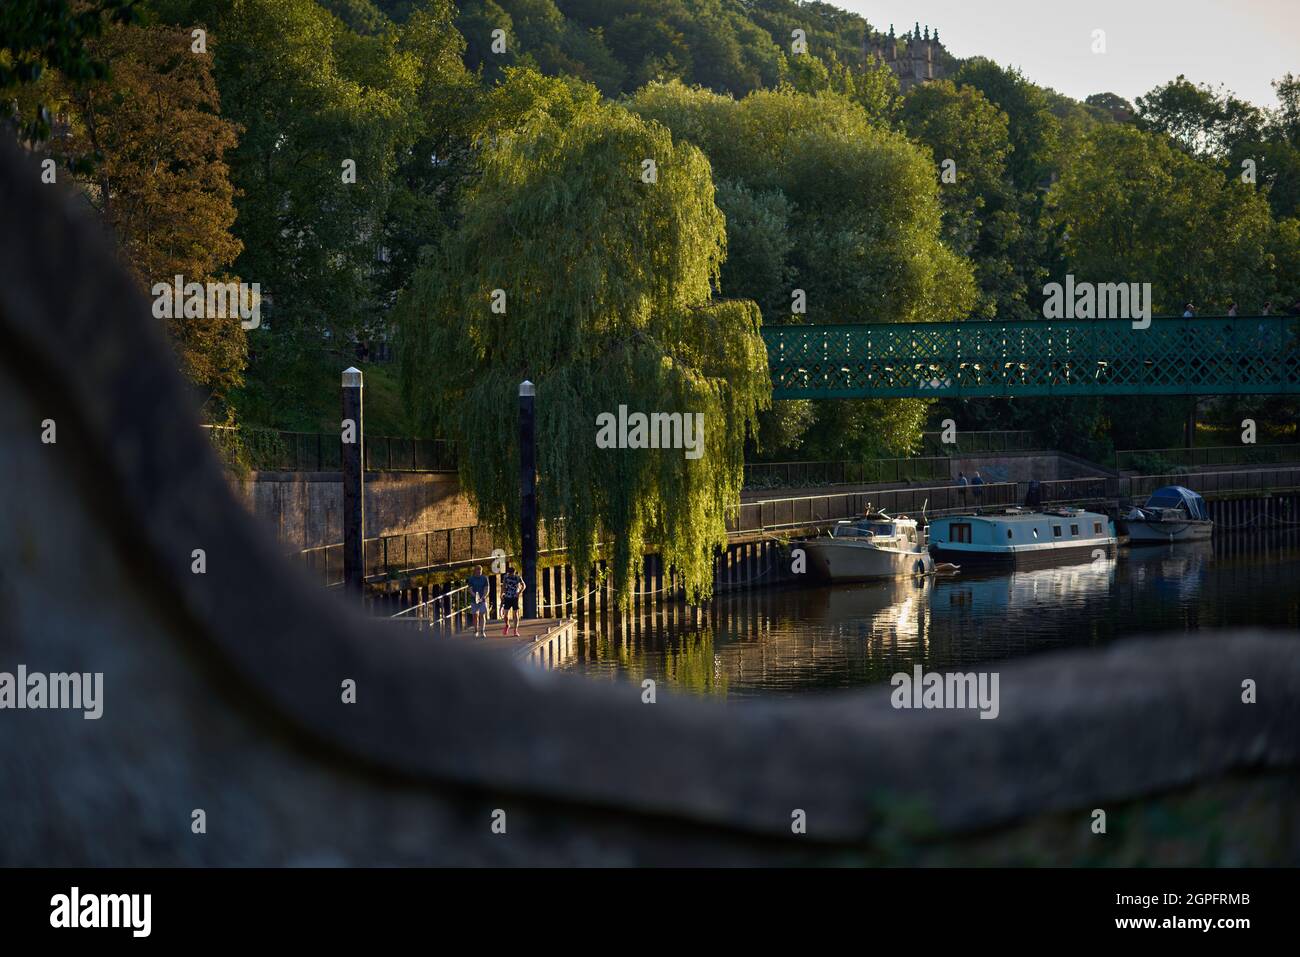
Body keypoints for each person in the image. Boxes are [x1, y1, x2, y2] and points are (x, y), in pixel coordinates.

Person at [501, 563, 525, 637]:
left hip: (515, 597)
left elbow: (524, 585)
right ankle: (507, 625)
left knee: (515, 614)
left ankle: (515, 631)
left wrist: (519, 592)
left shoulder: (518, 577)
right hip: (507, 597)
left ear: (514, 572)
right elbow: (504, 585)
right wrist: (501, 594)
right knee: (505, 614)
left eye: (512, 573)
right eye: (510, 573)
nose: (511, 575)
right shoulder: (506, 577)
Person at [467, 564, 490, 638]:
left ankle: (482, 631)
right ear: (475, 571)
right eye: (478, 571)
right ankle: (476, 631)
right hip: (474, 600)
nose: (479, 572)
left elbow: (487, 589)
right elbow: (470, 589)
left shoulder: (484, 578)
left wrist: (483, 596)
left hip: (482, 600)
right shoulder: (471, 579)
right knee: (475, 616)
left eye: (480, 571)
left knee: (482, 615)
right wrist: (475, 596)